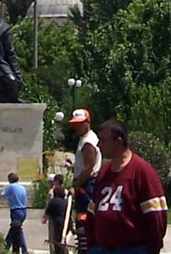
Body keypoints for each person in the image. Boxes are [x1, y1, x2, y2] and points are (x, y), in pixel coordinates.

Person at [88, 119, 168, 254]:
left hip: (131, 248)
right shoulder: (103, 171)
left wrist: (152, 249)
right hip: (101, 248)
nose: (99, 145)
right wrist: (91, 244)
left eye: (103, 140)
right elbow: (92, 210)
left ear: (118, 141)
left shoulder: (142, 172)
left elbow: (156, 216)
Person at [70, 108, 102, 254]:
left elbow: (89, 166)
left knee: (83, 219)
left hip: (86, 185)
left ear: (87, 122)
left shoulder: (88, 142)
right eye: (75, 123)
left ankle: (85, 249)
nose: (77, 126)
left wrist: (77, 184)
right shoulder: (85, 139)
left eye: (80, 123)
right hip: (86, 183)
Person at [3, 171, 29, 254]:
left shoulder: (11, 186)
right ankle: (15, 249)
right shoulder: (22, 187)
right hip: (23, 211)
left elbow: (2, 195)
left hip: (16, 211)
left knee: (17, 231)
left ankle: (24, 250)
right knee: (15, 230)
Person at [45, 175, 71, 254]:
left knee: (53, 238)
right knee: (63, 237)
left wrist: (46, 216)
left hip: (54, 218)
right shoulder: (66, 191)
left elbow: (49, 205)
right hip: (64, 217)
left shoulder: (52, 192)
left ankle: (54, 252)